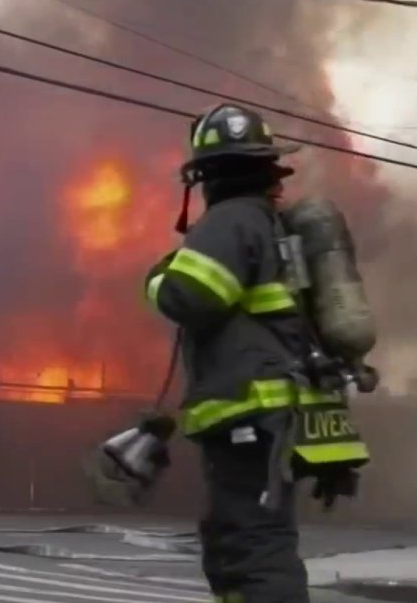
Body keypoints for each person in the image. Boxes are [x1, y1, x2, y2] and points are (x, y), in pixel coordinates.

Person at [145, 103, 370, 602]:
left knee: (253, 548)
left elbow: (189, 296)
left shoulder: (231, 221)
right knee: (238, 544)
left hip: (249, 415)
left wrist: (159, 274)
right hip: (272, 416)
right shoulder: (273, 227)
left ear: (207, 175)